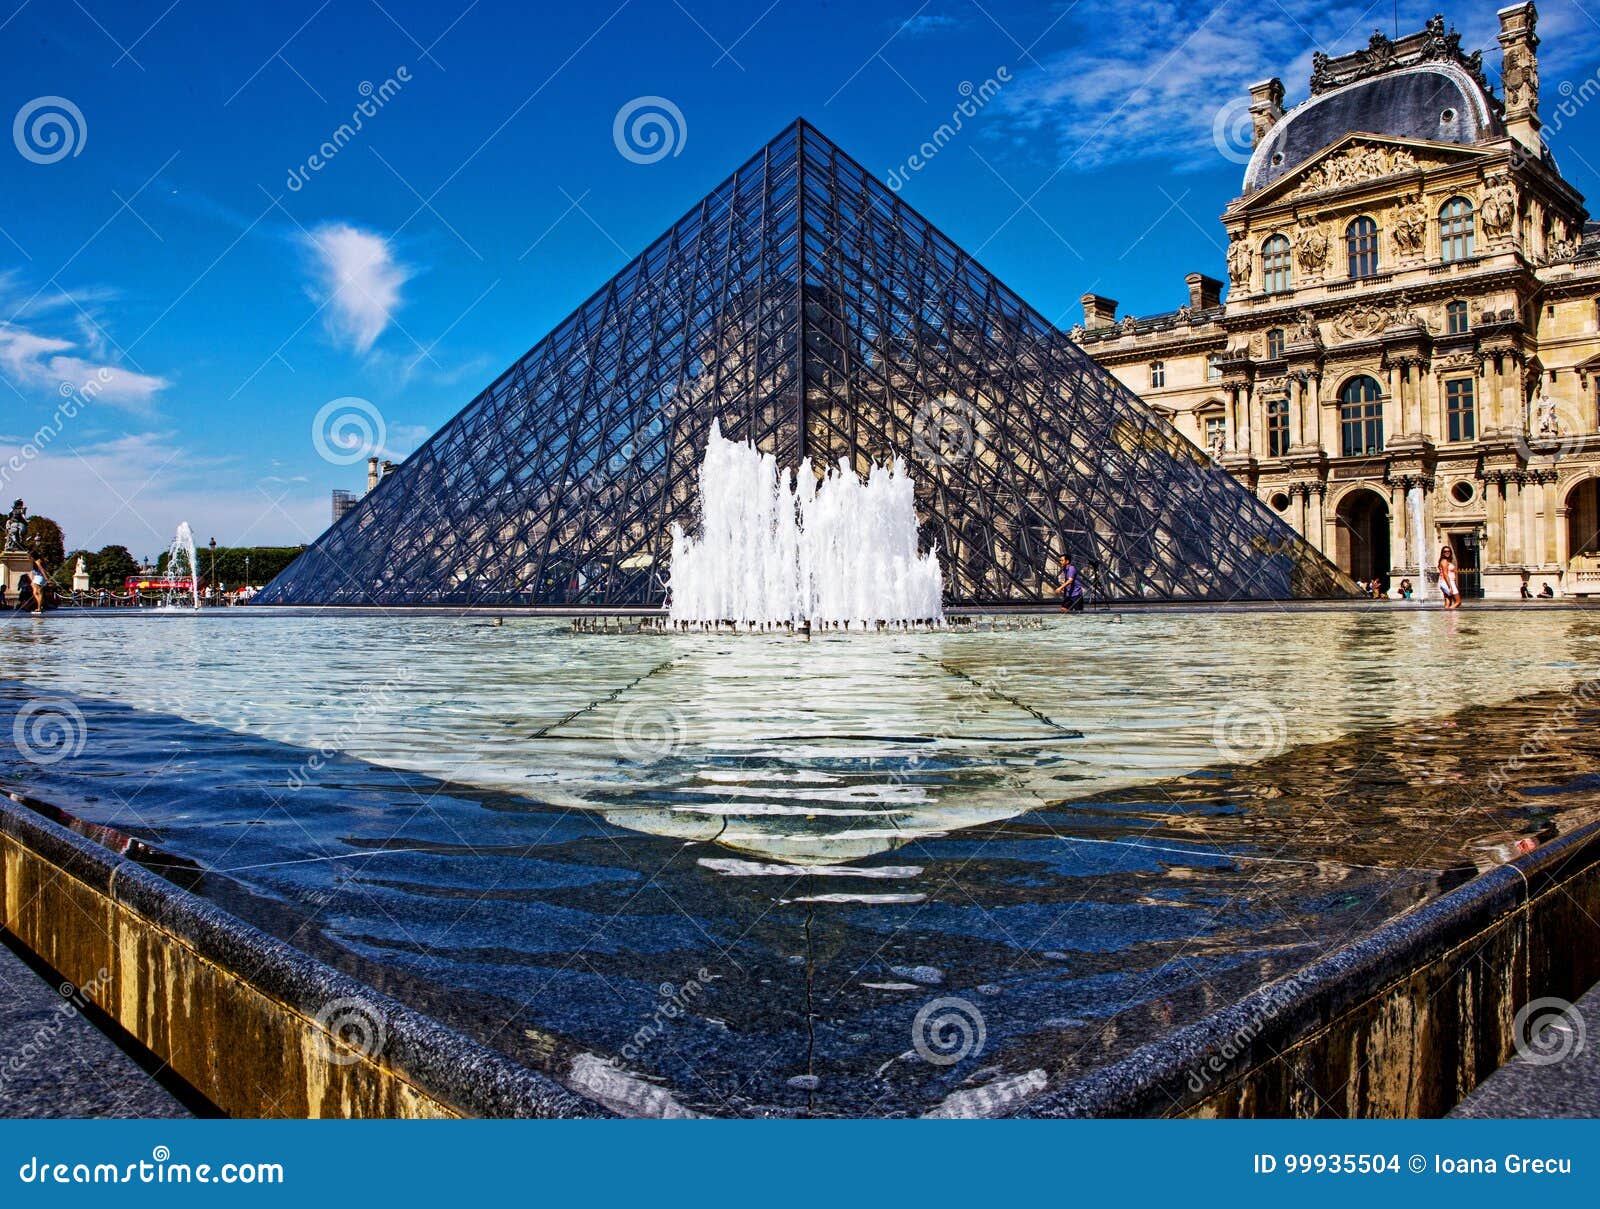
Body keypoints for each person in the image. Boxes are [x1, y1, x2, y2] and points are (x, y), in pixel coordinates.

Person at [1437, 545, 1461, 610]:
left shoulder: (1446, 561)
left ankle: (1446, 618)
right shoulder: (1444, 561)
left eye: (1449, 551)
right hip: (1447, 582)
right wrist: (1450, 586)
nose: (1447, 552)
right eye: (1445, 551)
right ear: (1442, 553)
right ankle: (1448, 612)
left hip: (1445, 582)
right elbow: (1445, 574)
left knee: (1448, 602)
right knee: (1458, 602)